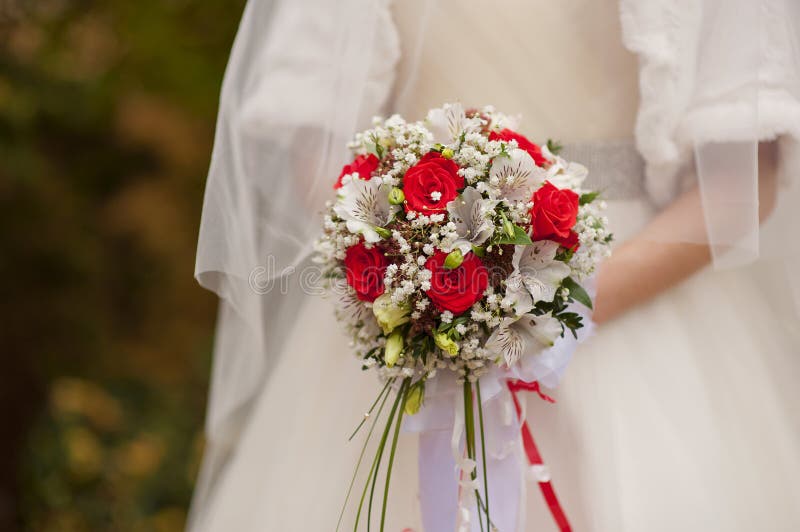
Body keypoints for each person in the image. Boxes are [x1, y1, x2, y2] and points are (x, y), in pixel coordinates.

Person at [191, 0, 800, 530]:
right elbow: (317, 151)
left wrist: (552, 310)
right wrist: (415, 270)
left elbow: (741, 184)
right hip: (418, 299)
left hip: (641, 298)